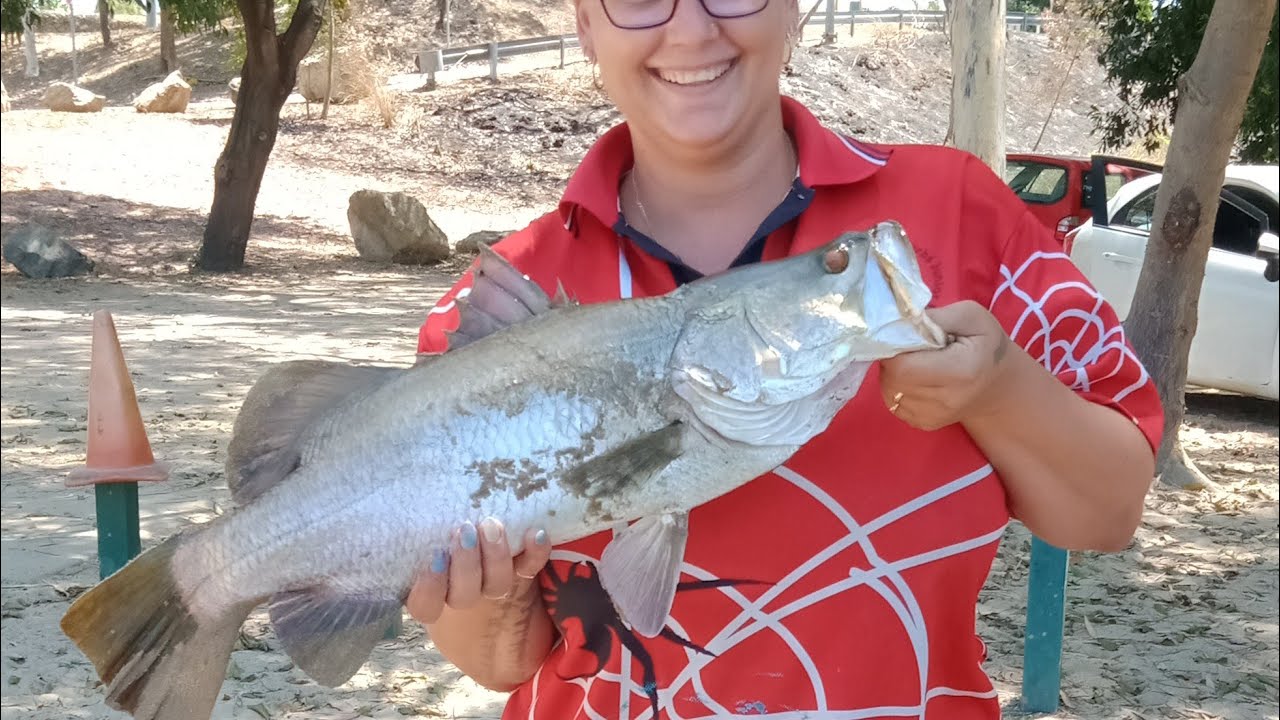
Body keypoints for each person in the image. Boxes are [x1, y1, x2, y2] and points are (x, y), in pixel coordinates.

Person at [403, 0, 1163, 717]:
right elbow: (498, 664)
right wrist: (491, 591)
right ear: (586, 25)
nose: (692, 31)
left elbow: (1108, 512)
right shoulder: (501, 309)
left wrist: (1000, 389)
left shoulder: (959, 214)